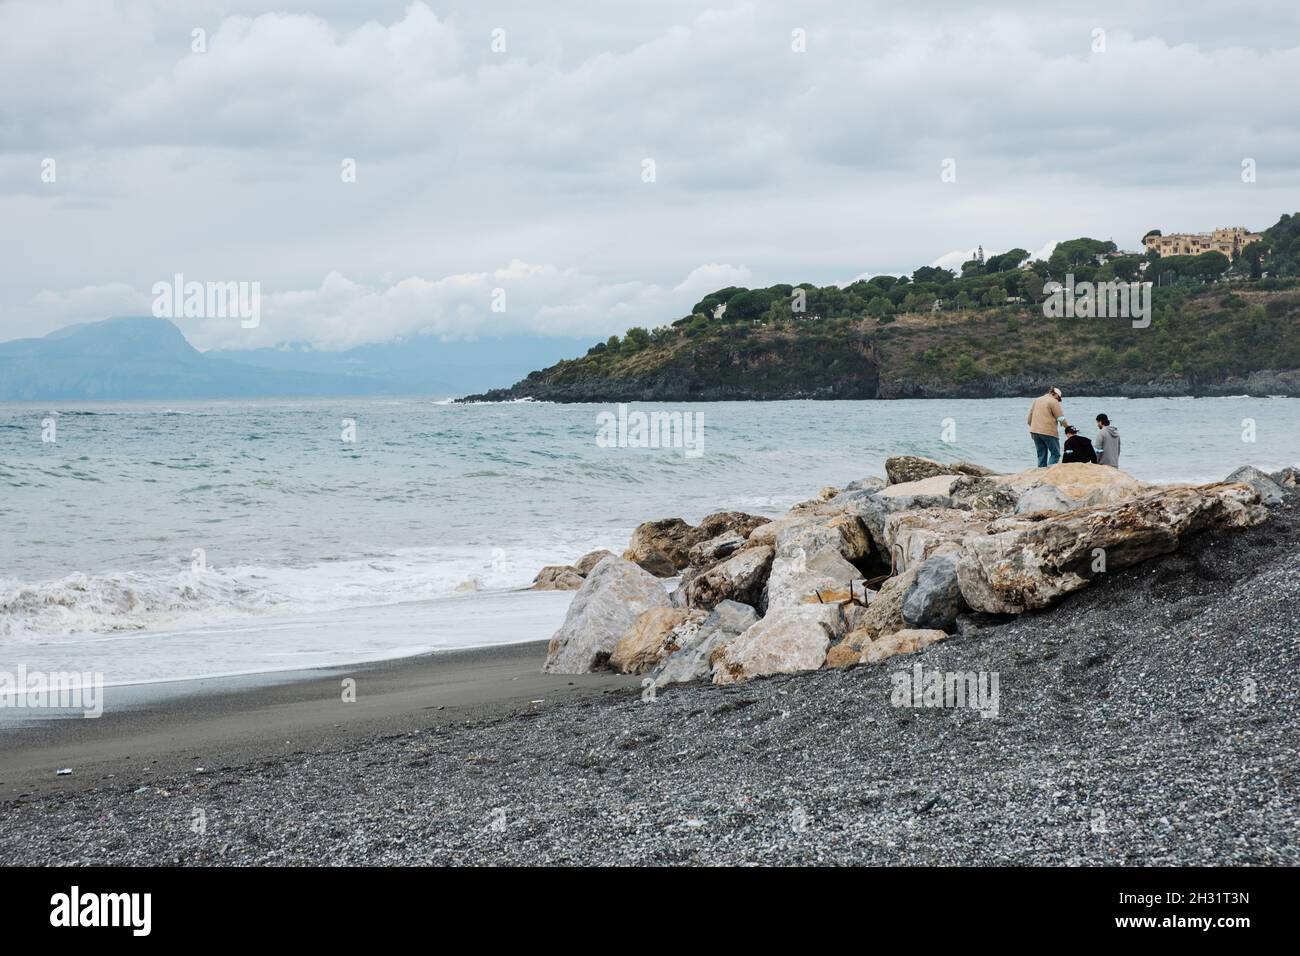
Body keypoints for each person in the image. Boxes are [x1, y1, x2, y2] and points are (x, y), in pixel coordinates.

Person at [1027, 386, 1068, 467]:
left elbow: (1029, 418)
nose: (1058, 400)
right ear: (1055, 394)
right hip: (1048, 432)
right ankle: (1049, 472)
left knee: (1041, 454)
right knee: (1055, 454)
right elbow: (1060, 418)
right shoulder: (1053, 402)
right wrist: (1068, 427)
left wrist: (1032, 428)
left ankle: (1040, 473)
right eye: (1058, 398)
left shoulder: (1037, 400)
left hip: (1035, 431)